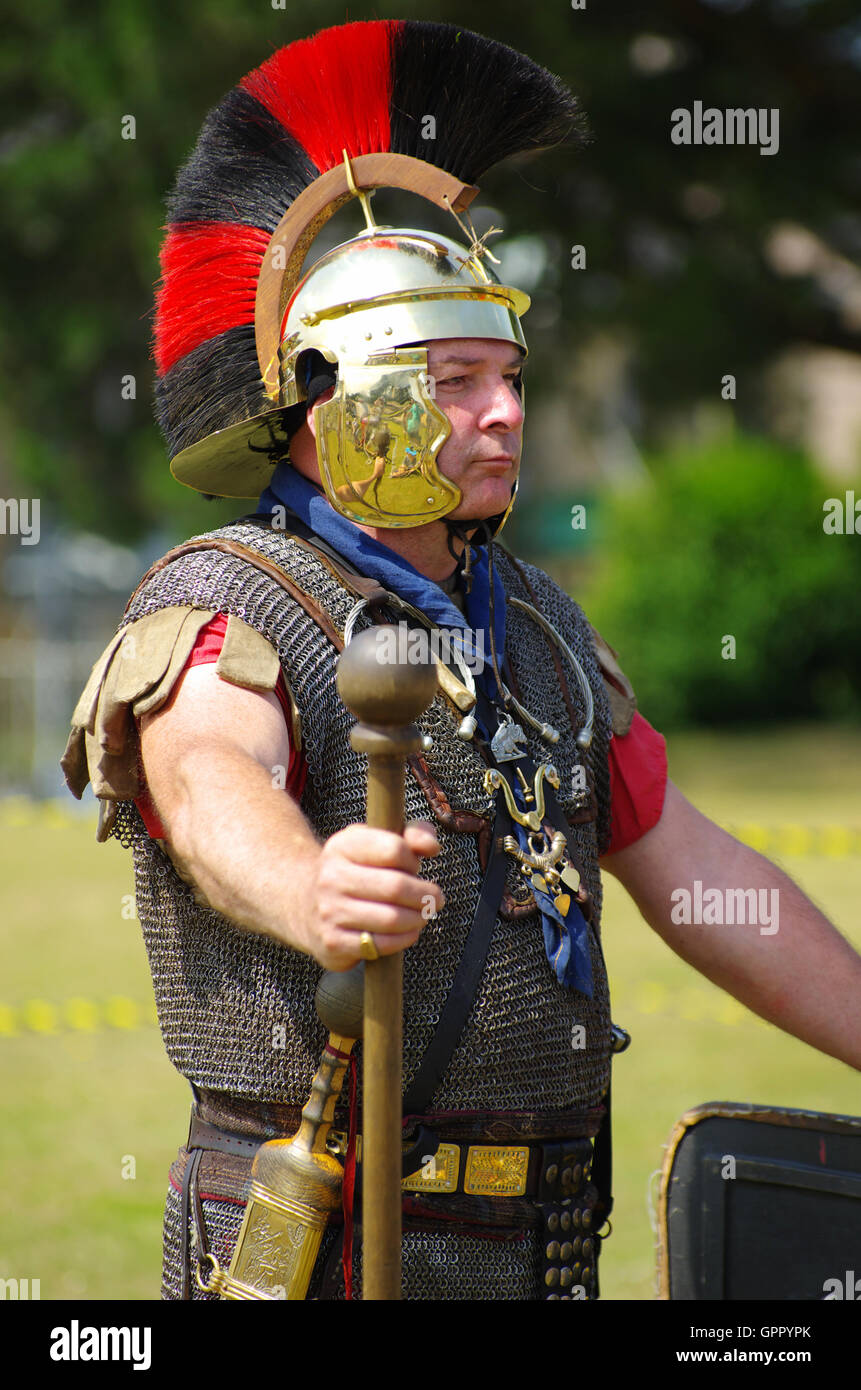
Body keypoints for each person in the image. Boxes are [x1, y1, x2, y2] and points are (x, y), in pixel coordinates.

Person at [62, 20, 861, 1302]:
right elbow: (211, 778)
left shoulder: (537, 627)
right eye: (453, 378)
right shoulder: (229, 597)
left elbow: (697, 874)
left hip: (541, 1244)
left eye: (510, 376)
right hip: (326, 1242)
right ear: (334, 402)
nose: (502, 413)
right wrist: (312, 885)